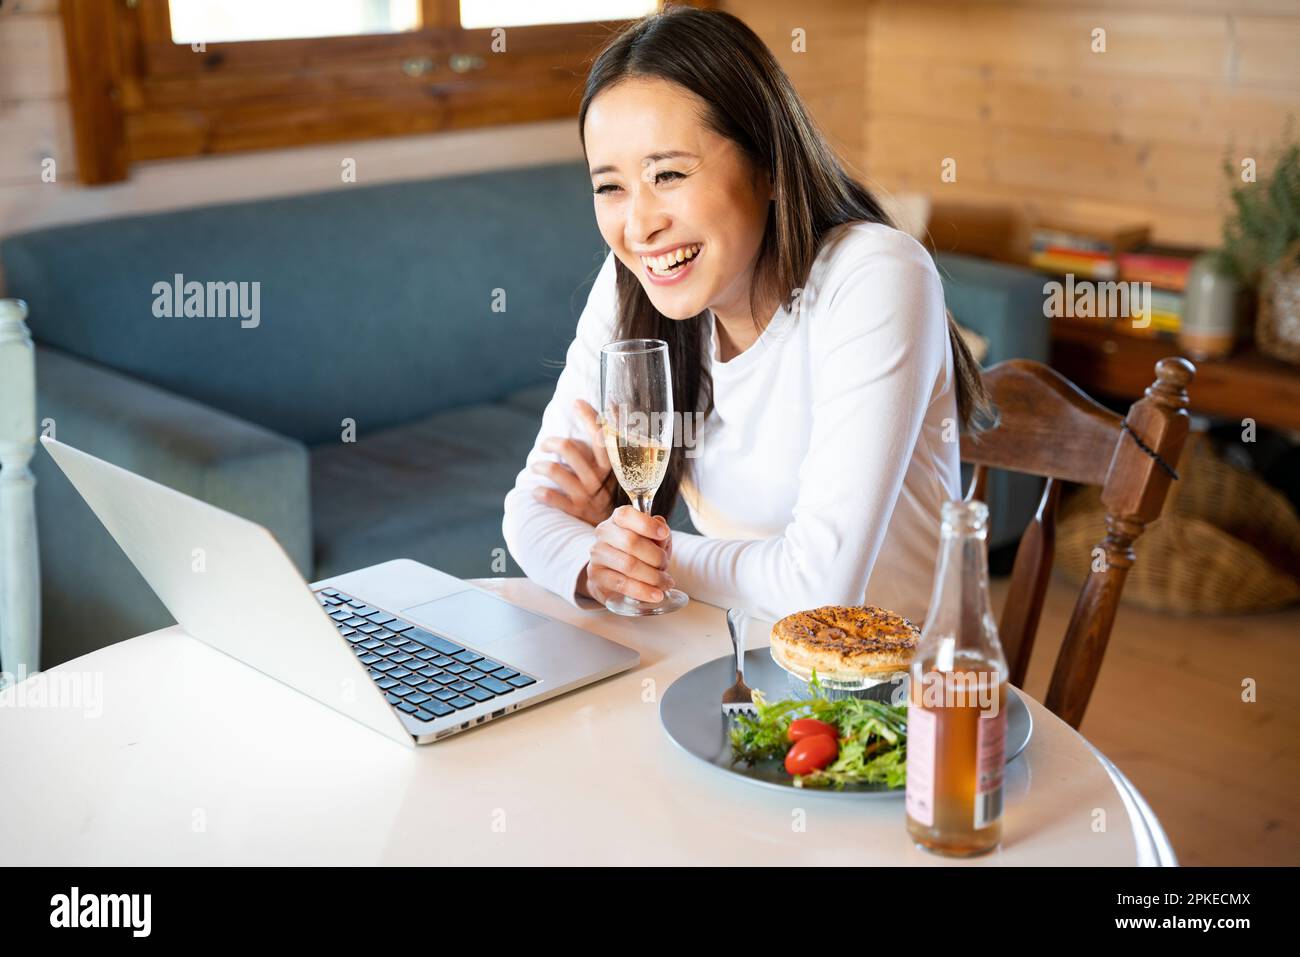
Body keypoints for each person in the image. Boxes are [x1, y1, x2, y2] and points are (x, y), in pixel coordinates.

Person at [502, 6, 987, 624]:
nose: (640, 224)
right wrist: (598, 561)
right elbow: (528, 512)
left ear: (769, 168)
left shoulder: (875, 276)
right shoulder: (637, 278)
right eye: (610, 187)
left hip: (892, 698)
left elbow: (817, 589)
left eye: (669, 173)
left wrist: (635, 555)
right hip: (730, 671)